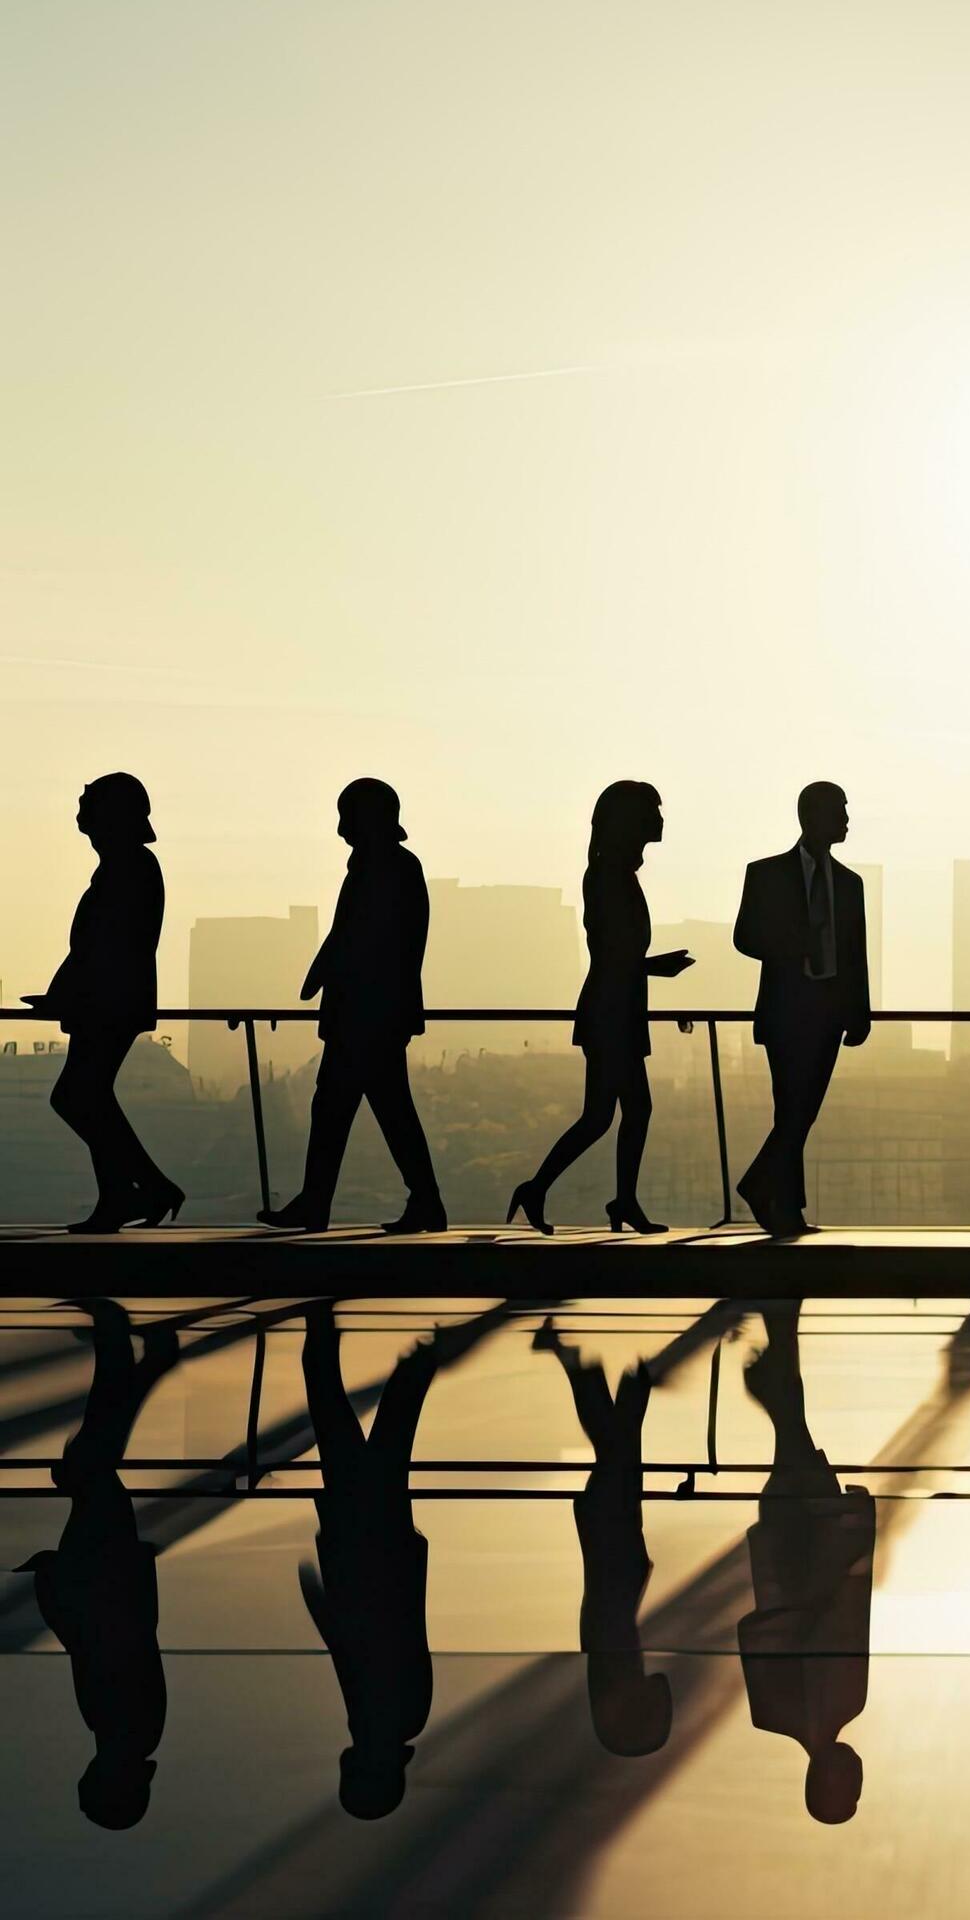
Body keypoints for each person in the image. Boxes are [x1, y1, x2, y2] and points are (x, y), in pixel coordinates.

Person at [298, 1302, 501, 1820]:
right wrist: (321, 1595)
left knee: (380, 1439)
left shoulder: (402, 1719)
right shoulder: (382, 1719)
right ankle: (347, 1332)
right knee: (341, 1421)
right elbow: (355, 1639)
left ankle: (419, 1355)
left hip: (382, 1551)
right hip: (368, 1553)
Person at [14, 1300, 183, 1828]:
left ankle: (143, 1358)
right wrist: (56, 1584)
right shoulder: (122, 1727)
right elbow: (105, 1641)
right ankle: (121, 1346)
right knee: (89, 1461)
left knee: (91, 1460)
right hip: (104, 1572)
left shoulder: (129, 1731)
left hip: (109, 1571)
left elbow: (111, 1642)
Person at [510, 782, 694, 1235]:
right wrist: (656, 967)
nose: (660, 817)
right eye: (653, 809)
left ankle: (609, 1198)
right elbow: (613, 952)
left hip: (619, 1006)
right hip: (612, 1010)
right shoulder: (609, 876)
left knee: (622, 1111)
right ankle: (559, 1191)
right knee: (610, 1114)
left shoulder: (613, 874)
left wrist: (649, 969)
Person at [265, 779, 445, 1233]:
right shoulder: (389, 866)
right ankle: (417, 1201)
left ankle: (322, 1203)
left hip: (367, 1014)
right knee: (369, 1107)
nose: (341, 828)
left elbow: (358, 938)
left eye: (347, 816)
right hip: (375, 1013)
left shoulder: (383, 869)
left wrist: (321, 976)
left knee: (345, 1106)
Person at [24, 773, 183, 1233]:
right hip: (106, 1000)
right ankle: (119, 1196)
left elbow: (104, 947)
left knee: (78, 1096)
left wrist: (67, 994)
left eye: (87, 806)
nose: (80, 815)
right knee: (88, 1095)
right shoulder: (126, 866)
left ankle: (150, 1187)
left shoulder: (127, 868)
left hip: (109, 1002)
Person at [738, 1300, 875, 1823]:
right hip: (784, 1543)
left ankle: (781, 1318)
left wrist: (850, 1539)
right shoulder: (772, 1714)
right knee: (792, 1432)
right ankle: (778, 1338)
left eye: (852, 1787)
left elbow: (834, 1612)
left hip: (814, 1537)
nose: (859, 1777)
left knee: (793, 1430)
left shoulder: (843, 1702)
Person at [733, 782, 872, 1237]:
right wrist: (796, 944)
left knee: (800, 1111)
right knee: (792, 1110)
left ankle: (776, 1198)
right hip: (787, 1009)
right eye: (840, 811)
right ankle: (776, 1199)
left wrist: (861, 1012)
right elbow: (745, 937)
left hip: (830, 1012)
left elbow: (856, 954)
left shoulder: (851, 884)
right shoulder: (767, 874)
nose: (847, 819)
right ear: (811, 816)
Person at [536, 1318, 674, 1758]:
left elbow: (613, 1593)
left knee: (620, 1448)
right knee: (618, 1448)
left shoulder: (611, 1649)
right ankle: (592, 1367)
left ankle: (630, 1378)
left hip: (612, 1531)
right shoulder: (605, 1655)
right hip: (608, 1528)